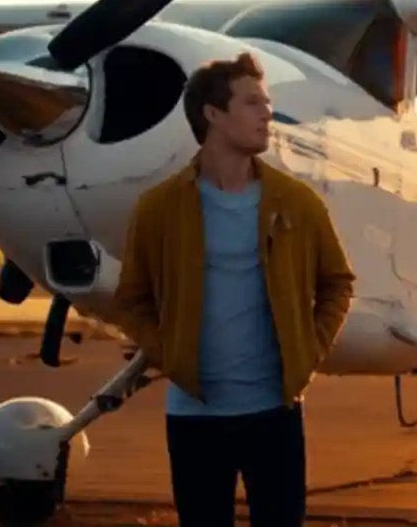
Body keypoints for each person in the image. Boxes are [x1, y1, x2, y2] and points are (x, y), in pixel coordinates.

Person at [111, 50, 355, 526]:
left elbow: (337, 283)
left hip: (275, 414)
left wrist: (309, 350)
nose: (267, 113)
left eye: (266, 102)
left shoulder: (298, 203)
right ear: (213, 115)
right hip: (194, 417)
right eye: (251, 103)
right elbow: (132, 298)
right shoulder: (158, 208)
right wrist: (166, 354)